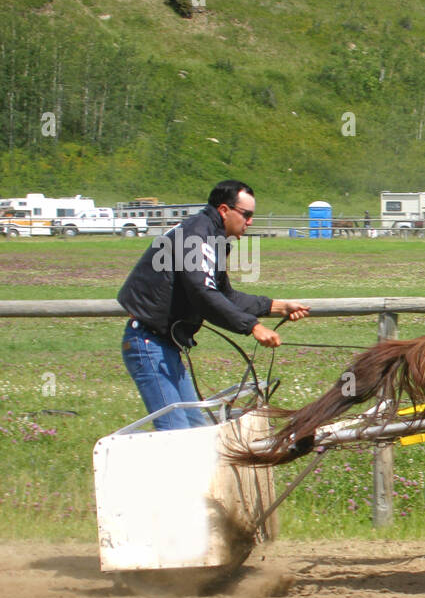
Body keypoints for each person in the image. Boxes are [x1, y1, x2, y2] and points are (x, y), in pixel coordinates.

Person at [117, 180, 310, 430]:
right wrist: (252, 326)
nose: (250, 222)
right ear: (224, 210)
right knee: (178, 436)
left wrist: (277, 307)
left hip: (164, 346)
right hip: (148, 343)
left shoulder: (210, 237)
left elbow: (225, 295)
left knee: (197, 429)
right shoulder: (196, 235)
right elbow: (202, 293)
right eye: (246, 214)